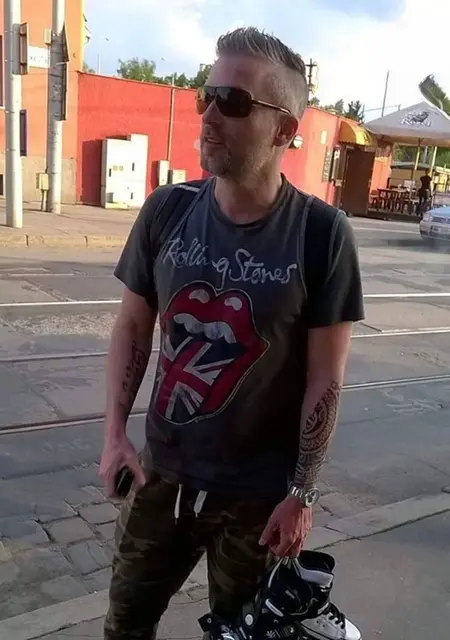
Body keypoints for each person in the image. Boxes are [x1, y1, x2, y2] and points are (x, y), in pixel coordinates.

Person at [100, 26, 364, 640]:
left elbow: (325, 380)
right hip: (160, 477)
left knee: (242, 635)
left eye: (234, 101)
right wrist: (114, 436)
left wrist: (302, 494)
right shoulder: (168, 209)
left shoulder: (321, 234)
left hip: (258, 501)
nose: (211, 114)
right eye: (207, 95)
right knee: (124, 627)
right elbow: (133, 326)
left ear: (284, 129)